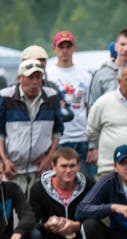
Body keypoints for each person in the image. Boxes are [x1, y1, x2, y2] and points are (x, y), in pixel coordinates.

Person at [28, 146, 93, 239]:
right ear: (53, 166)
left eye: (72, 166)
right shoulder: (38, 189)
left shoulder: (90, 186)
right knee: (32, 233)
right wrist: (46, 225)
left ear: (78, 166)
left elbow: (97, 219)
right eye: (63, 166)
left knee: (94, 230)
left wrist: (75, 226)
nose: (68, 170)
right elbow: (32, 221)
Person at [0, 59, 64, 195]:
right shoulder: (6, 97)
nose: (34, 82)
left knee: (38, 213)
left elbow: (58, 131)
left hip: (41, 169)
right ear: (20, 78)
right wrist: (4, 160)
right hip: (13, 168)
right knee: (13, 213)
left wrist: (50, 156)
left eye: (38, 77)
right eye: (30, 77)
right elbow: (0, 133)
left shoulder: (51, 97)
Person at [47, 31, 94, 178]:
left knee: (85, 182)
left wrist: (92, 143)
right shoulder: (48, 75)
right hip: (59, 138)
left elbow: (91, 109)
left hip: (81, 137)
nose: (65, 51)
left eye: (69, 46)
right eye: (61, 47)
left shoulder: (85, 76)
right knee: (60, 181)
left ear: (74, 48)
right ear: (54, 48)